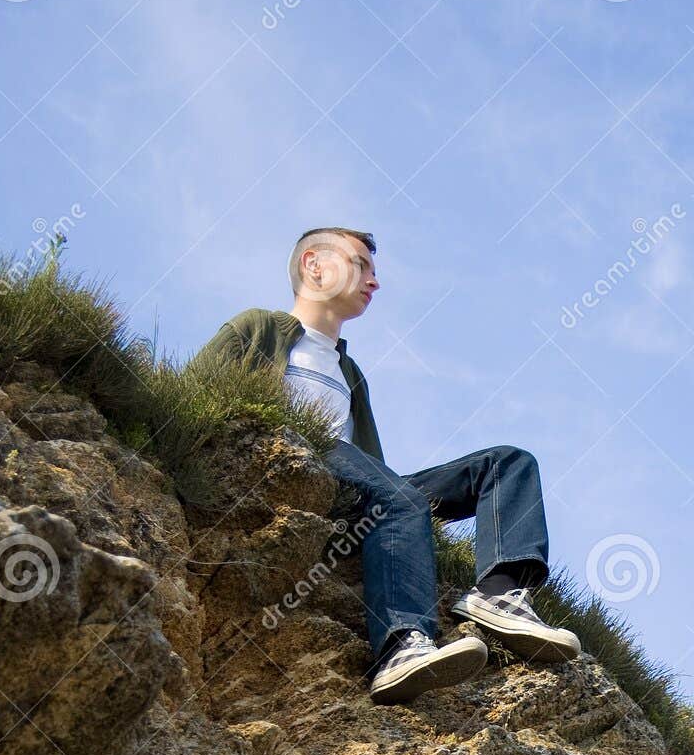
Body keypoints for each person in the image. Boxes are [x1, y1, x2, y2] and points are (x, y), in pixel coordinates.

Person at [194, 227, 580, 703]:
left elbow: (372, 469)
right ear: (314, 265)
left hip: (355, 498)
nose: (374, 282)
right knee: (398, 498)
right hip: (290, 469)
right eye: (361, 266)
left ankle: (498, 593)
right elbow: (195, 402)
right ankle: (400, 644)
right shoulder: (258, 329)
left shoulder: (349, 373)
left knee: (506, 464)